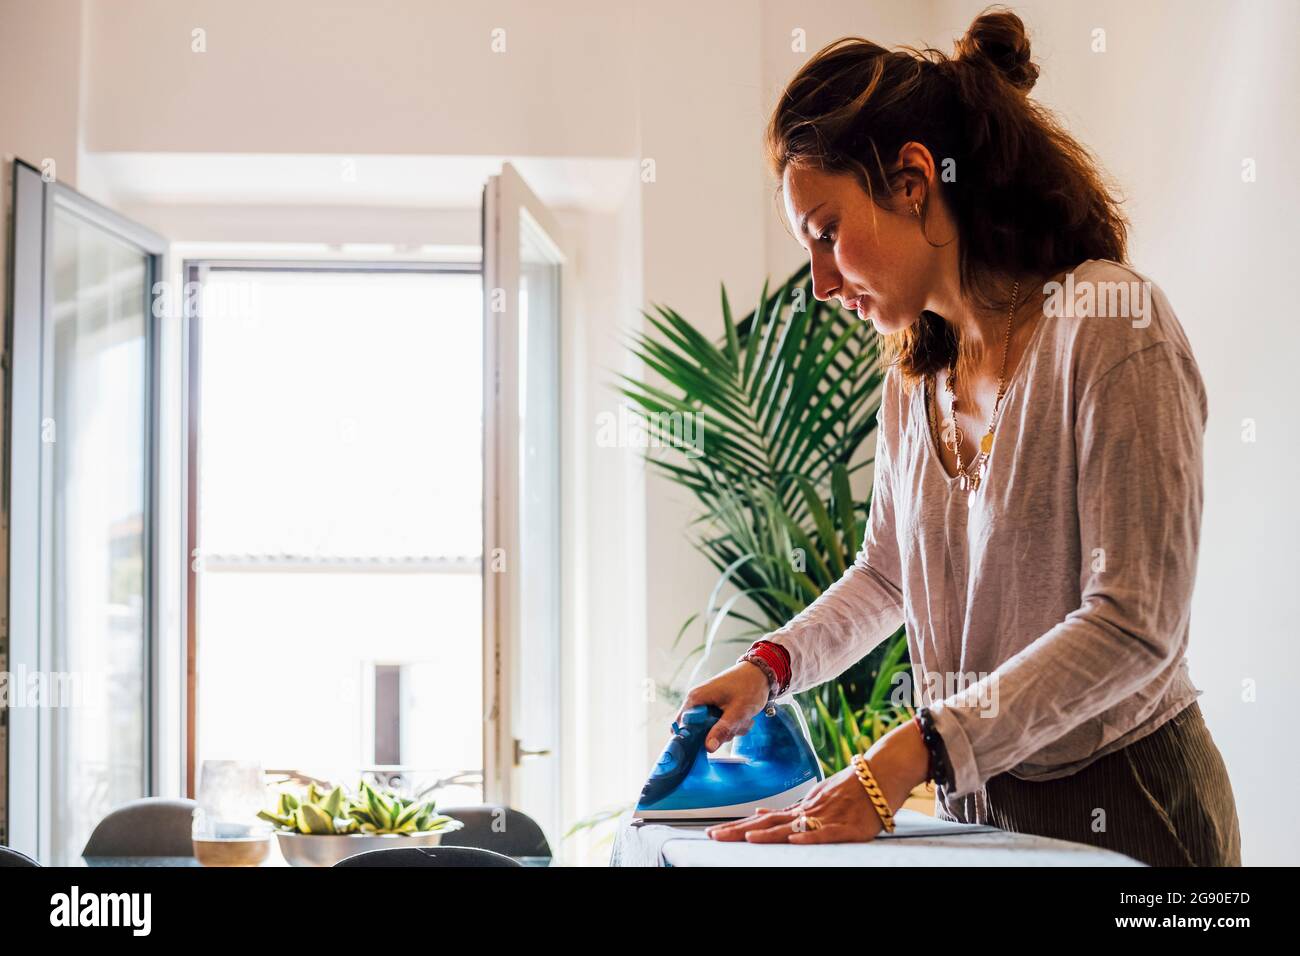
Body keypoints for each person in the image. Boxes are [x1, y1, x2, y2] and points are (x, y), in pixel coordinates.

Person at [684, 7, 1240, 867]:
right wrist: (768, 668)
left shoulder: (1109, 327)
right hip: (984, 813)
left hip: (1131, 808)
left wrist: (918, 748)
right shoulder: (918, 379)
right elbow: (886, 576)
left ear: (913, 179)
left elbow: (1136, 625)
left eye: (828, 235)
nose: (823, 283)